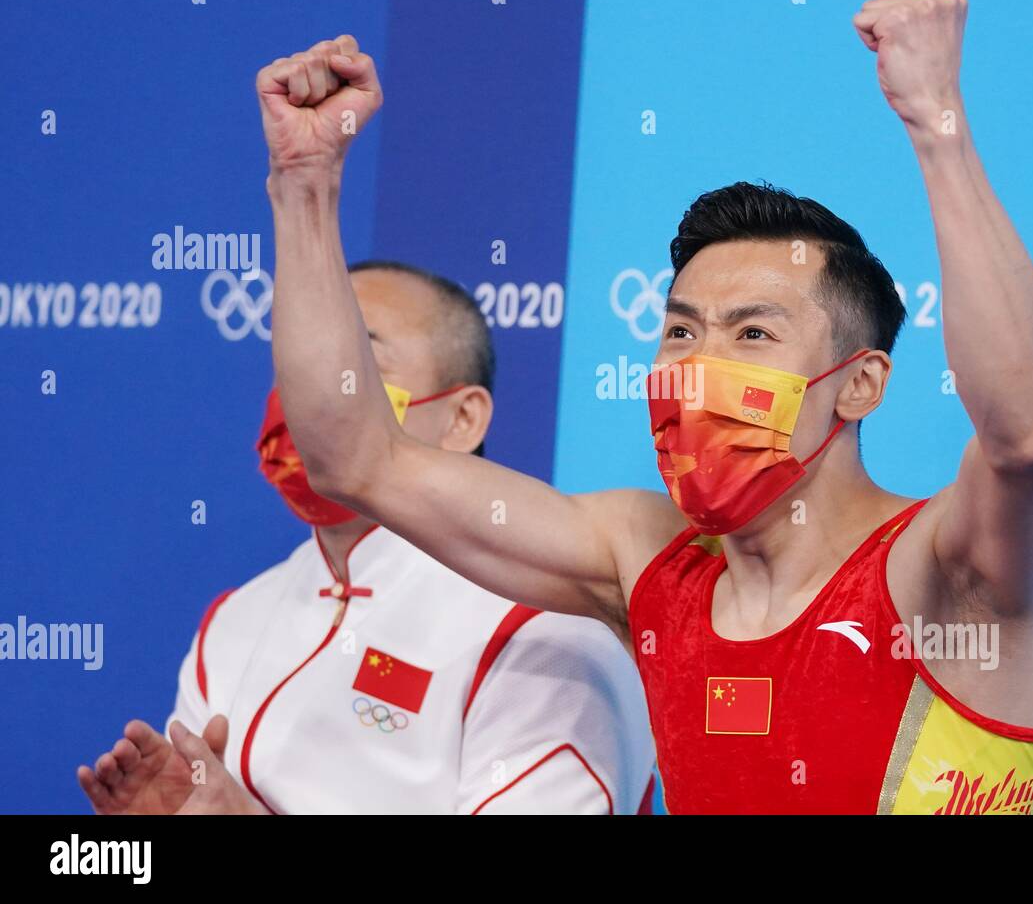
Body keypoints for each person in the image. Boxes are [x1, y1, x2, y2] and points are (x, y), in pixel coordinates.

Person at [264, 0, 1033, 814]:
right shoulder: (645, 561)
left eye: (752, 335)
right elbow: (352, 456)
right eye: (682, 332)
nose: (699, 367)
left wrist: (937, 121)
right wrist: (304, 184)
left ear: (859, 384)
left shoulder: (949, 568)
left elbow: (1027, 435)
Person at [76, 262, 657, 814]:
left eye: (353, 363)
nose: (312, 396)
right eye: (299, 363)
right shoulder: (232, 623)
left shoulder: (547, 632)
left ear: (462, 420)